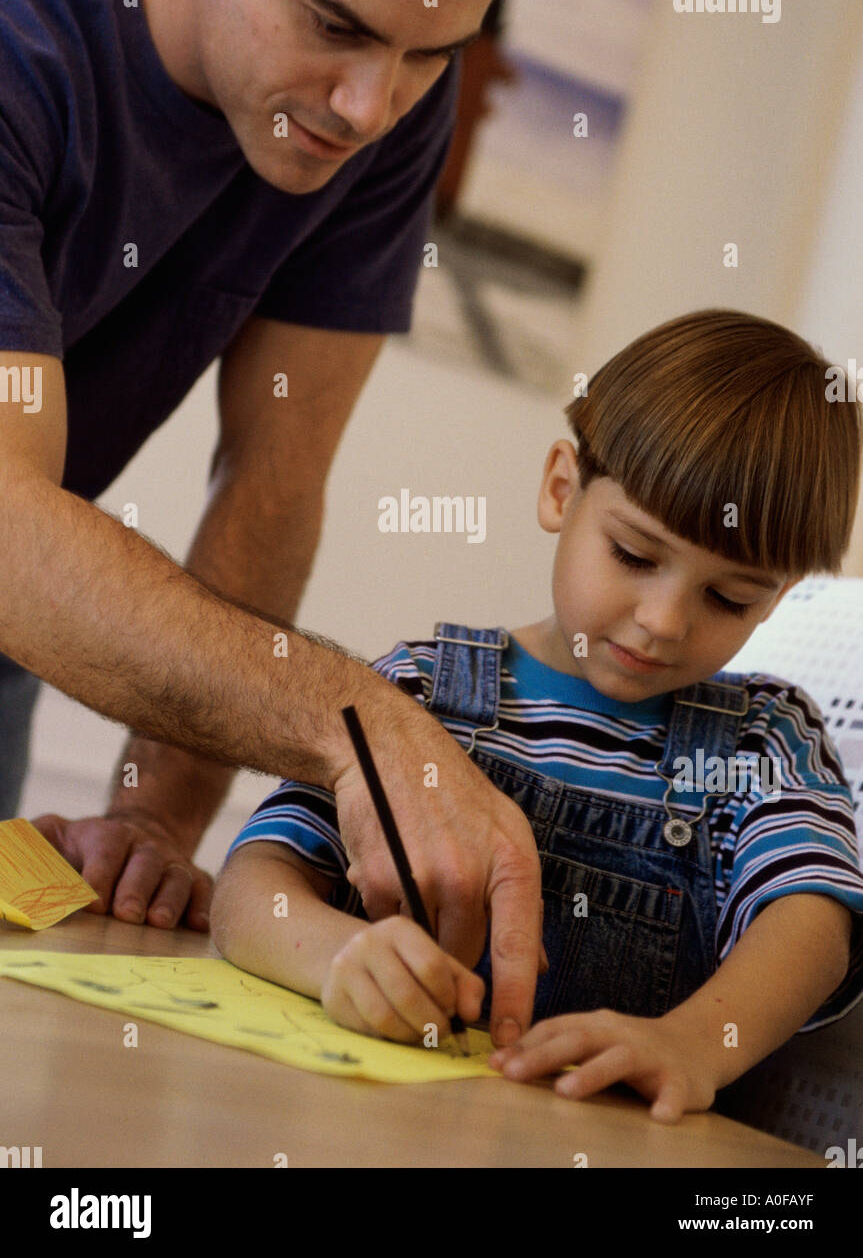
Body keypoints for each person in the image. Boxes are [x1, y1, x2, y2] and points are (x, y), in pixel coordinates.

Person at [0, 0, 567, 1047]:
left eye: (429, 53)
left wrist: (153, 820)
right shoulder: (17, 17)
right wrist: (358, 722)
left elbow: (270, 481)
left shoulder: (381, 98)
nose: (370, 107)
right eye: (334, 26)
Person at [210, 308, 863, 1124]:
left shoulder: (764, 740)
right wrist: (339, 958)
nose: (664, 621)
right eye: (633, 555)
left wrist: (694, 1043)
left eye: (729, 597)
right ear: (562, 489)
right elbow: (249, 890)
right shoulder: (415, 694)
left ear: (777, 598)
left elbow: (811, 926)